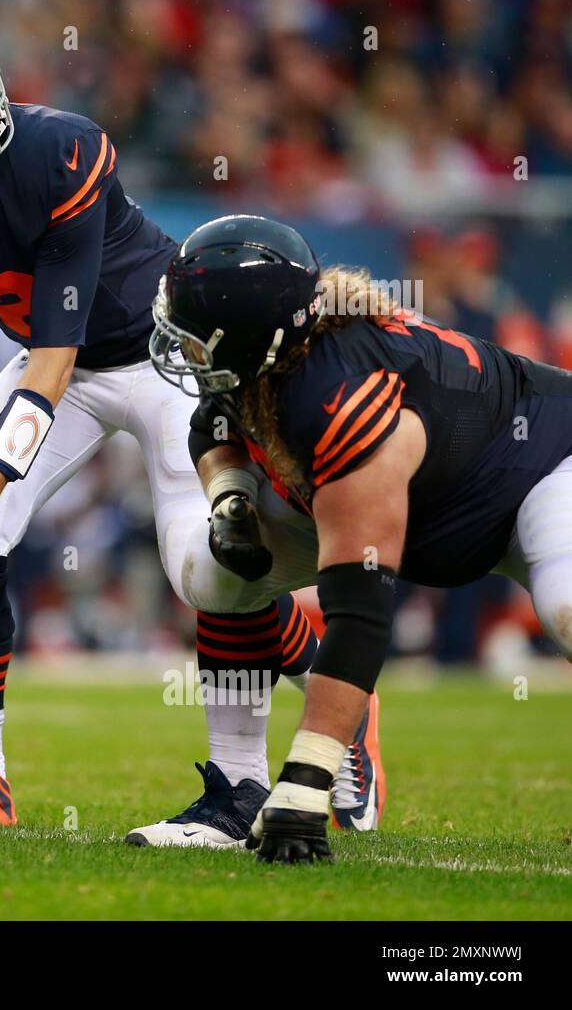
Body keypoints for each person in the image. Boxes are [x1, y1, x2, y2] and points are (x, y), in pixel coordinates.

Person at [0, 15, 370, 842]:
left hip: (167, 359)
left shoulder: (62, 151)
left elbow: (56, 348)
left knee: (214, 575)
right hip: (59, 370)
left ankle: (269, 754)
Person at [150, 213, 572, 862]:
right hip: (438, 500)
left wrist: (307, 779)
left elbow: (362, 611)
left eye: (193, 337)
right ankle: (237, 789)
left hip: (540, 467)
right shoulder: (271, 353)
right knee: (219, 573)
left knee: (565, 607)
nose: (179, 349)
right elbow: (213, 426)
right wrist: (231, 499)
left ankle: (337, 743)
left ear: (246, 337)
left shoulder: (341, 400)